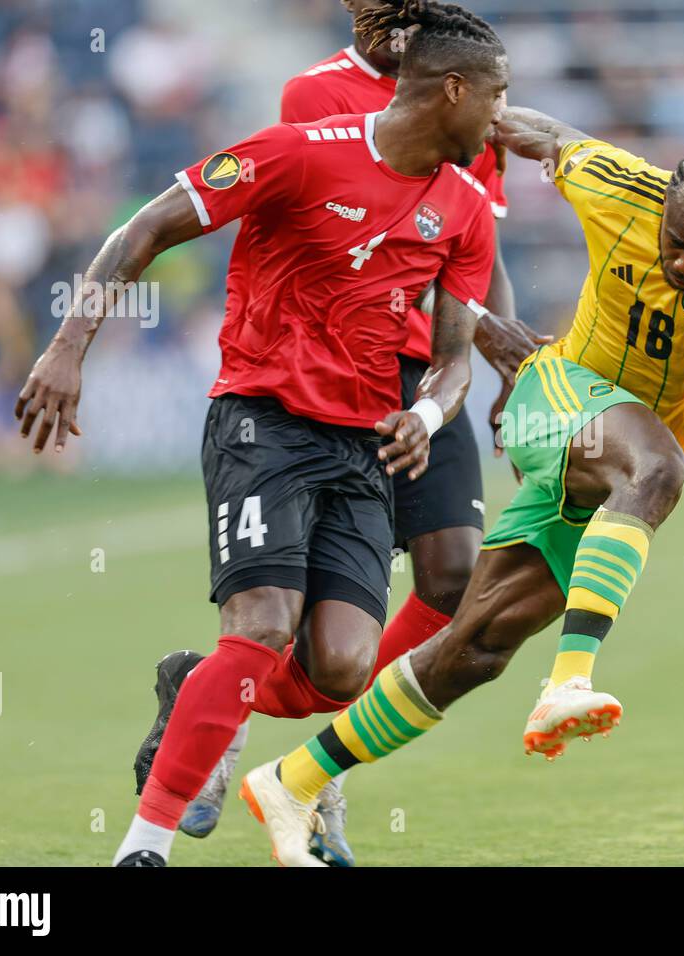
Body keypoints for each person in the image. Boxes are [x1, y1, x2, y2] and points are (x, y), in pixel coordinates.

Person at [236, 106, 684, 866]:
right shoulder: (615, 184)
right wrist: (444, 116)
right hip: (557, 398)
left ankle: (292, 780)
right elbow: (529, 130)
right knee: (661, 467)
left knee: (474, 649)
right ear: (665, 207)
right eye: (674, 243)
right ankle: (569, 682)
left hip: (611, 468)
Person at [15, 0, 514, 867]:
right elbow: (148, 227)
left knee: (343, 668)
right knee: (261, 628)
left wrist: (427, 414)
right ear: (452, 91)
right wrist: (67, 346)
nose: (503, 120)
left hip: (364, 445)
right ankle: (145, 846)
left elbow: (455, 356)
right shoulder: (297, 149)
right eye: (496, 101)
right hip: (264, 421)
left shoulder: (466, 207)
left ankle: (198, 691)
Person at [173, 0, 548, 867]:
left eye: (399, 3)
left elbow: (473, 237)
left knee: (456, 577)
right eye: (367, 4)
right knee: (311, 611)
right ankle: (233, 715)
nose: (383, 18)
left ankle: (306, 757)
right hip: (343, 379)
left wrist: (498, 364)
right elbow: (353, 235)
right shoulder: (317, 95)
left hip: (432, 377)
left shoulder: (473, 99)